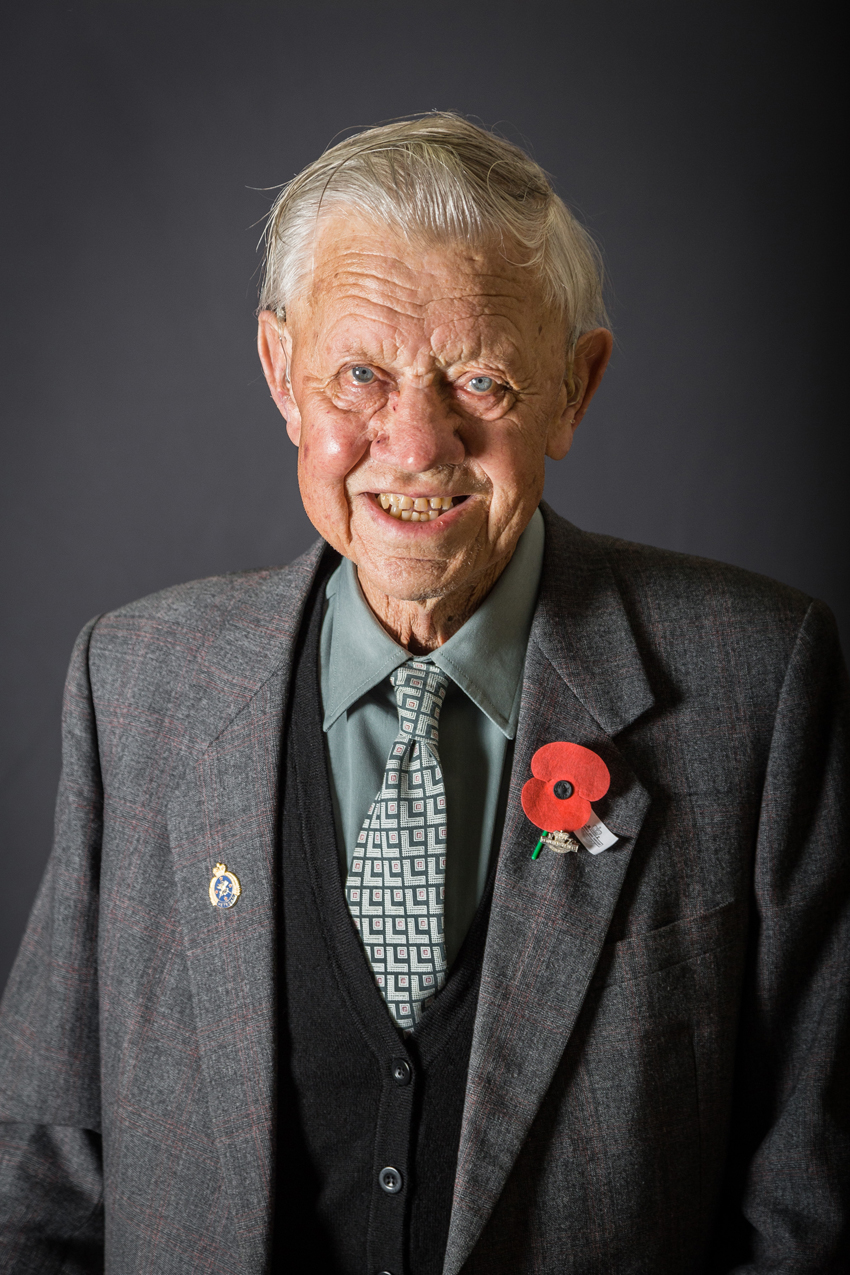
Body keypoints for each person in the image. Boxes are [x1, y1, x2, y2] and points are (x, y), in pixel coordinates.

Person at [0, 114, 847, 1275]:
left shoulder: (759, 680)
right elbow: (41, 1171)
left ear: (573, 388)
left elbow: (814, 1198)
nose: (414, 443)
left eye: (482, 379)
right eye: (360, 374)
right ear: (280, 376)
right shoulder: (134, 681)